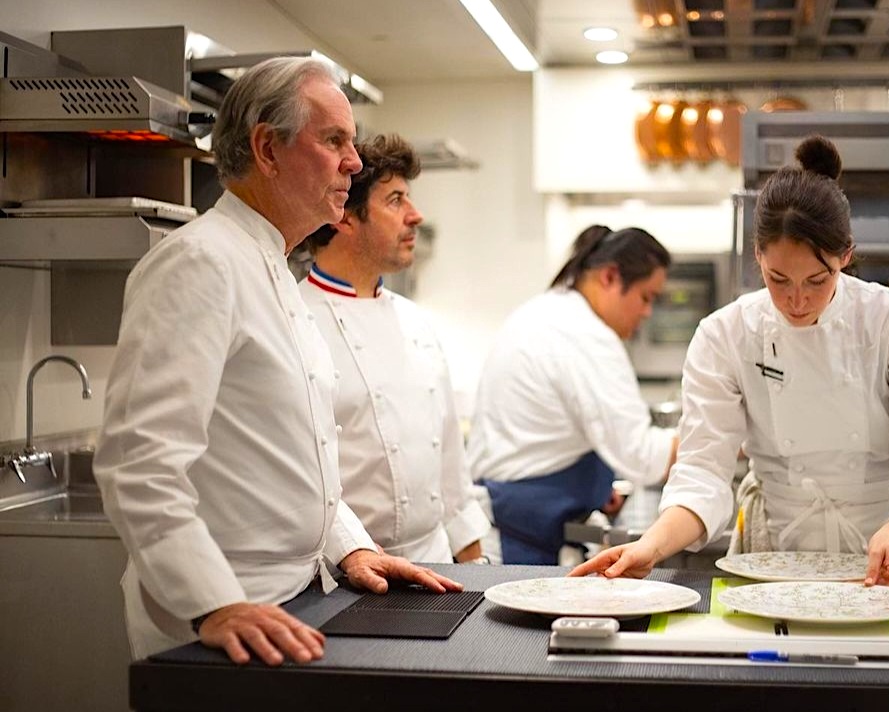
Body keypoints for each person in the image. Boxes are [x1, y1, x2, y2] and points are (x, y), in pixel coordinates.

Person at [94, 58, 460, 667]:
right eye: (334, 140)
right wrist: (215, 603)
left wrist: (350, 548)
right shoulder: (201, 263)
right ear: (267, 148)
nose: (355, 162)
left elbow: (297, 456)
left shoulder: (275, 272)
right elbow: (139, 463)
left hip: (296, 601)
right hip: (222, 621)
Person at [571, 135, 889, 587]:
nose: (797, 300)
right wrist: (652, 545)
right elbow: (703, 471)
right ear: (757, 255)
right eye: (778, 279)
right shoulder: (726, 334)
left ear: (846, 256)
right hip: (781, 562)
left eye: (817, 280)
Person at [299, 133, 489, 563]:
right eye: (396, 200)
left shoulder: (416, 321)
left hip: (436, 560)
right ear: (345, 217)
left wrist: (476, 567)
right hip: (346, 571)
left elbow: (451, 471)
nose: (416, 216)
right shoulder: (296, 319)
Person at [467, 225, 679, 565]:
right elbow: (642, 456)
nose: (647, 313)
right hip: (523, 539)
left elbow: (551, 432)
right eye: (646, 297)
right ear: (610, 277)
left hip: (509, 519)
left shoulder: (547, 310)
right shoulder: (586, 335)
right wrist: (715, 438)